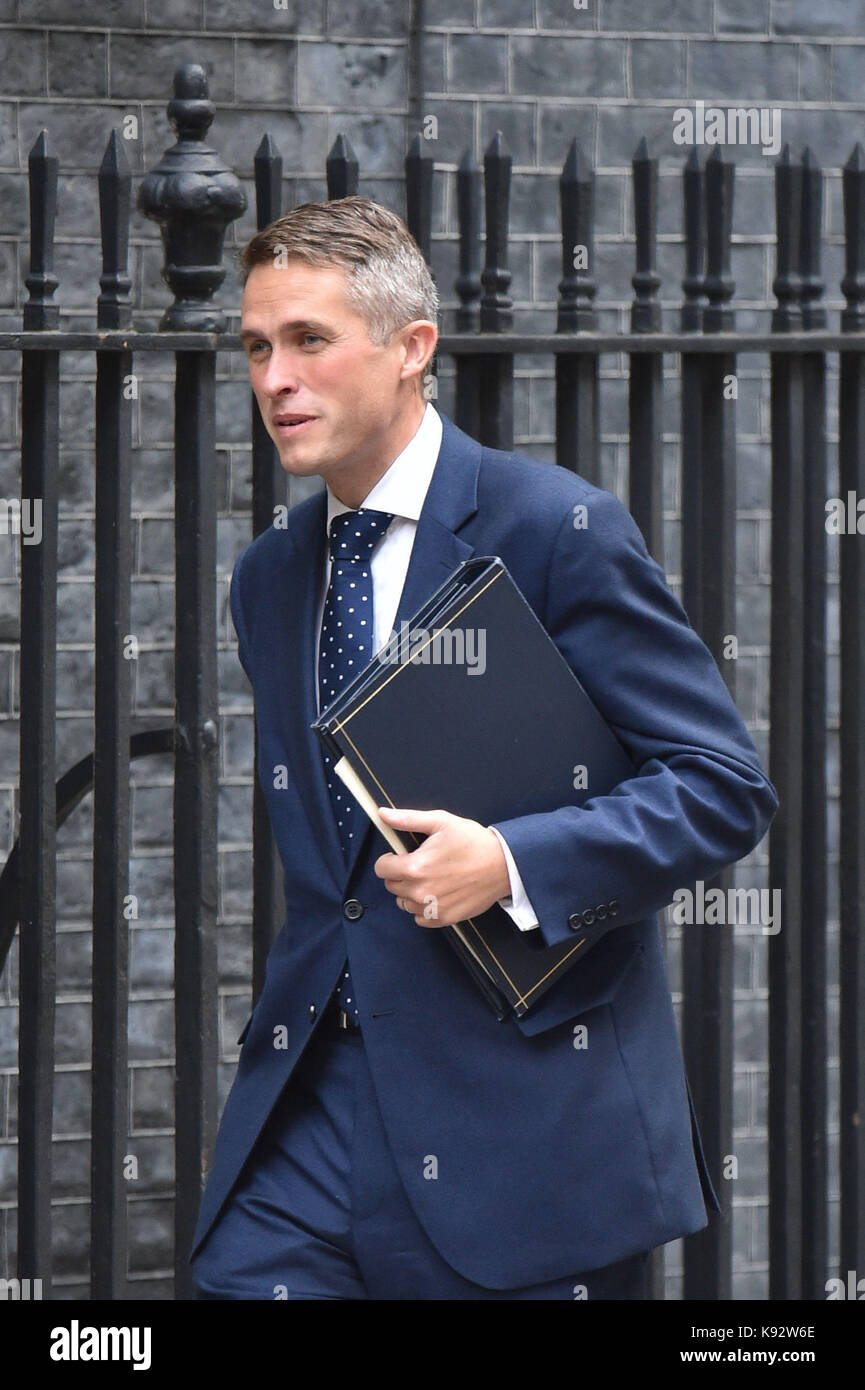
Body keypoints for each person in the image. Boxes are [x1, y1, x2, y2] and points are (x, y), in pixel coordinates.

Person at [189, 196, 778, 1300]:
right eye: (257, 347)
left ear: (413, 349)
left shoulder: (553, 527)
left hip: (522, 1133)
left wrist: (508, 862)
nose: (273, 379)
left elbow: (722, 787)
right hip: (310, 1117)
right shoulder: (268, 576)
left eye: (309, 340)